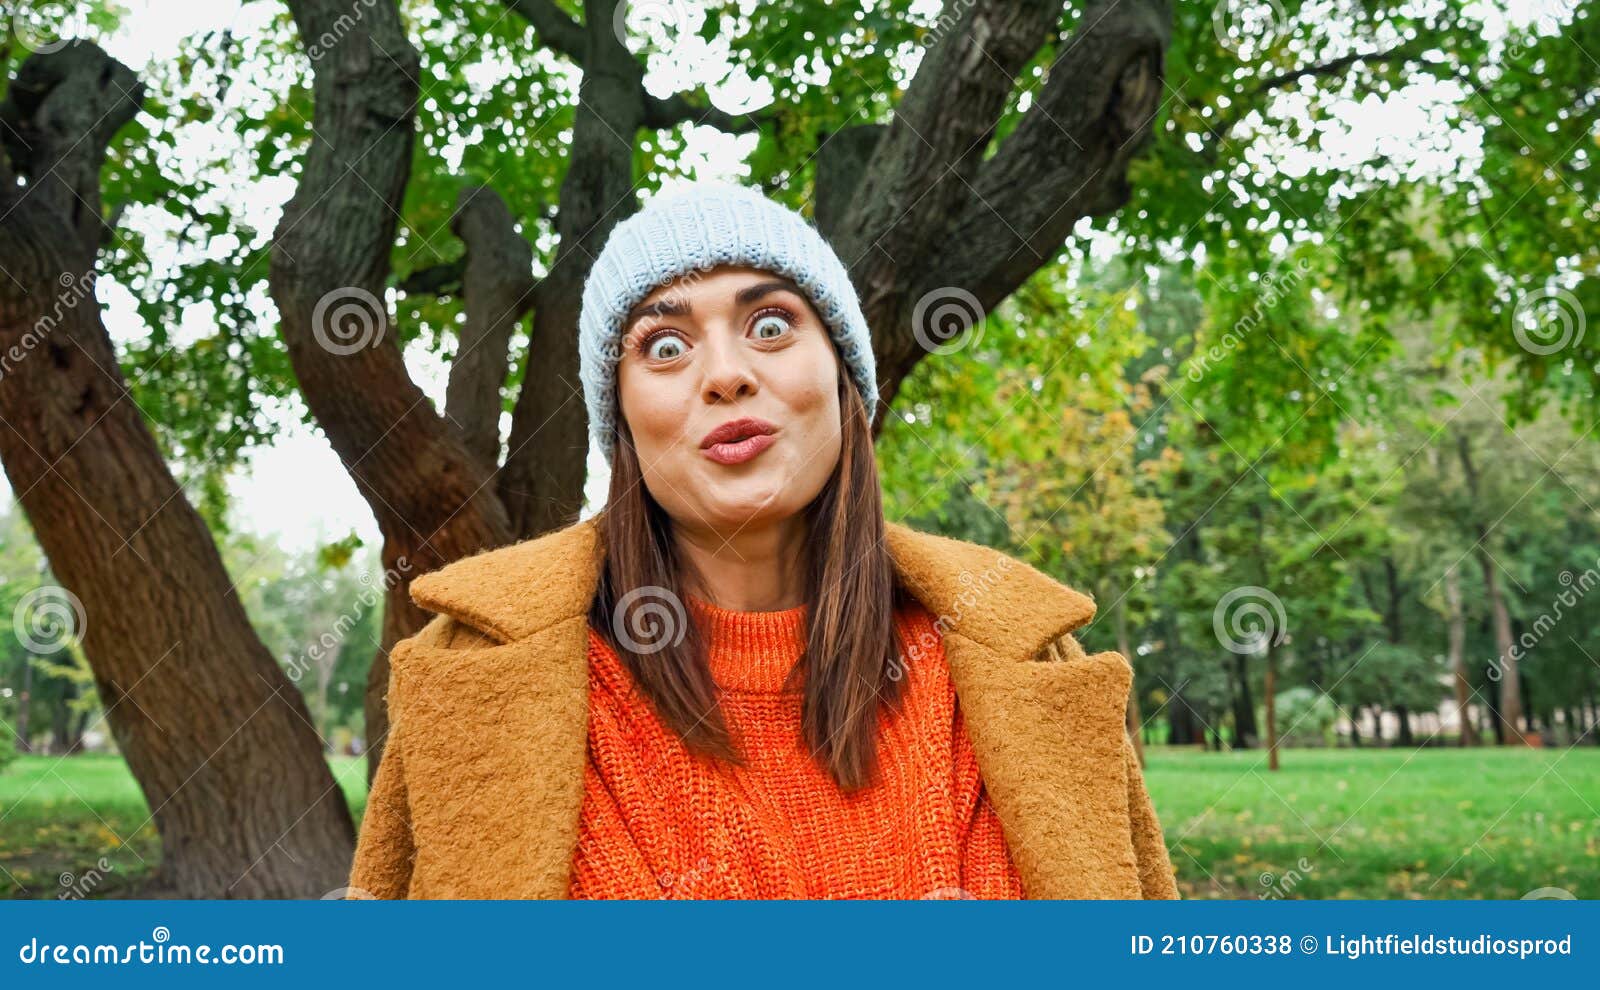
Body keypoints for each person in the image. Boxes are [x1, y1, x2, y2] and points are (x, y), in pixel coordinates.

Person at [346, 181, 1177, 900]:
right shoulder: (476, 663)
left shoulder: (1022, 655)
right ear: (624, 418)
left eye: (772, 325)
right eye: (664, 345)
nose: (725, 373)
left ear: (843, 379)